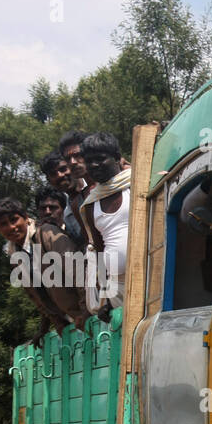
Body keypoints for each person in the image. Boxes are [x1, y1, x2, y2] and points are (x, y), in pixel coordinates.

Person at [0, 196, 85, 341]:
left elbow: (78, 270)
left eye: (14, 219)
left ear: (26, 218)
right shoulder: (16, 256)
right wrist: (57, 321)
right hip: (72, 323)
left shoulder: (46, 234)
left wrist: (85, 310)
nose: (11, 227)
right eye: (4, 224)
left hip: (90, 313)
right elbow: (36, 297)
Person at [77, 131, 132, 317]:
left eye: (100, 159)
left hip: (148, 277)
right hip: (117, 287)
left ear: (117, 158)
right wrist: (106, 297)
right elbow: (99, 249)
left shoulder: (137, 183)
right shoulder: (91, 204)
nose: (93, 165)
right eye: (89, 161)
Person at [41, 150, 86, 246]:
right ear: (49, 181)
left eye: (63, 169)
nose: (60, 175)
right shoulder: (67, 215)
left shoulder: (98, 186)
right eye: (53, 174)